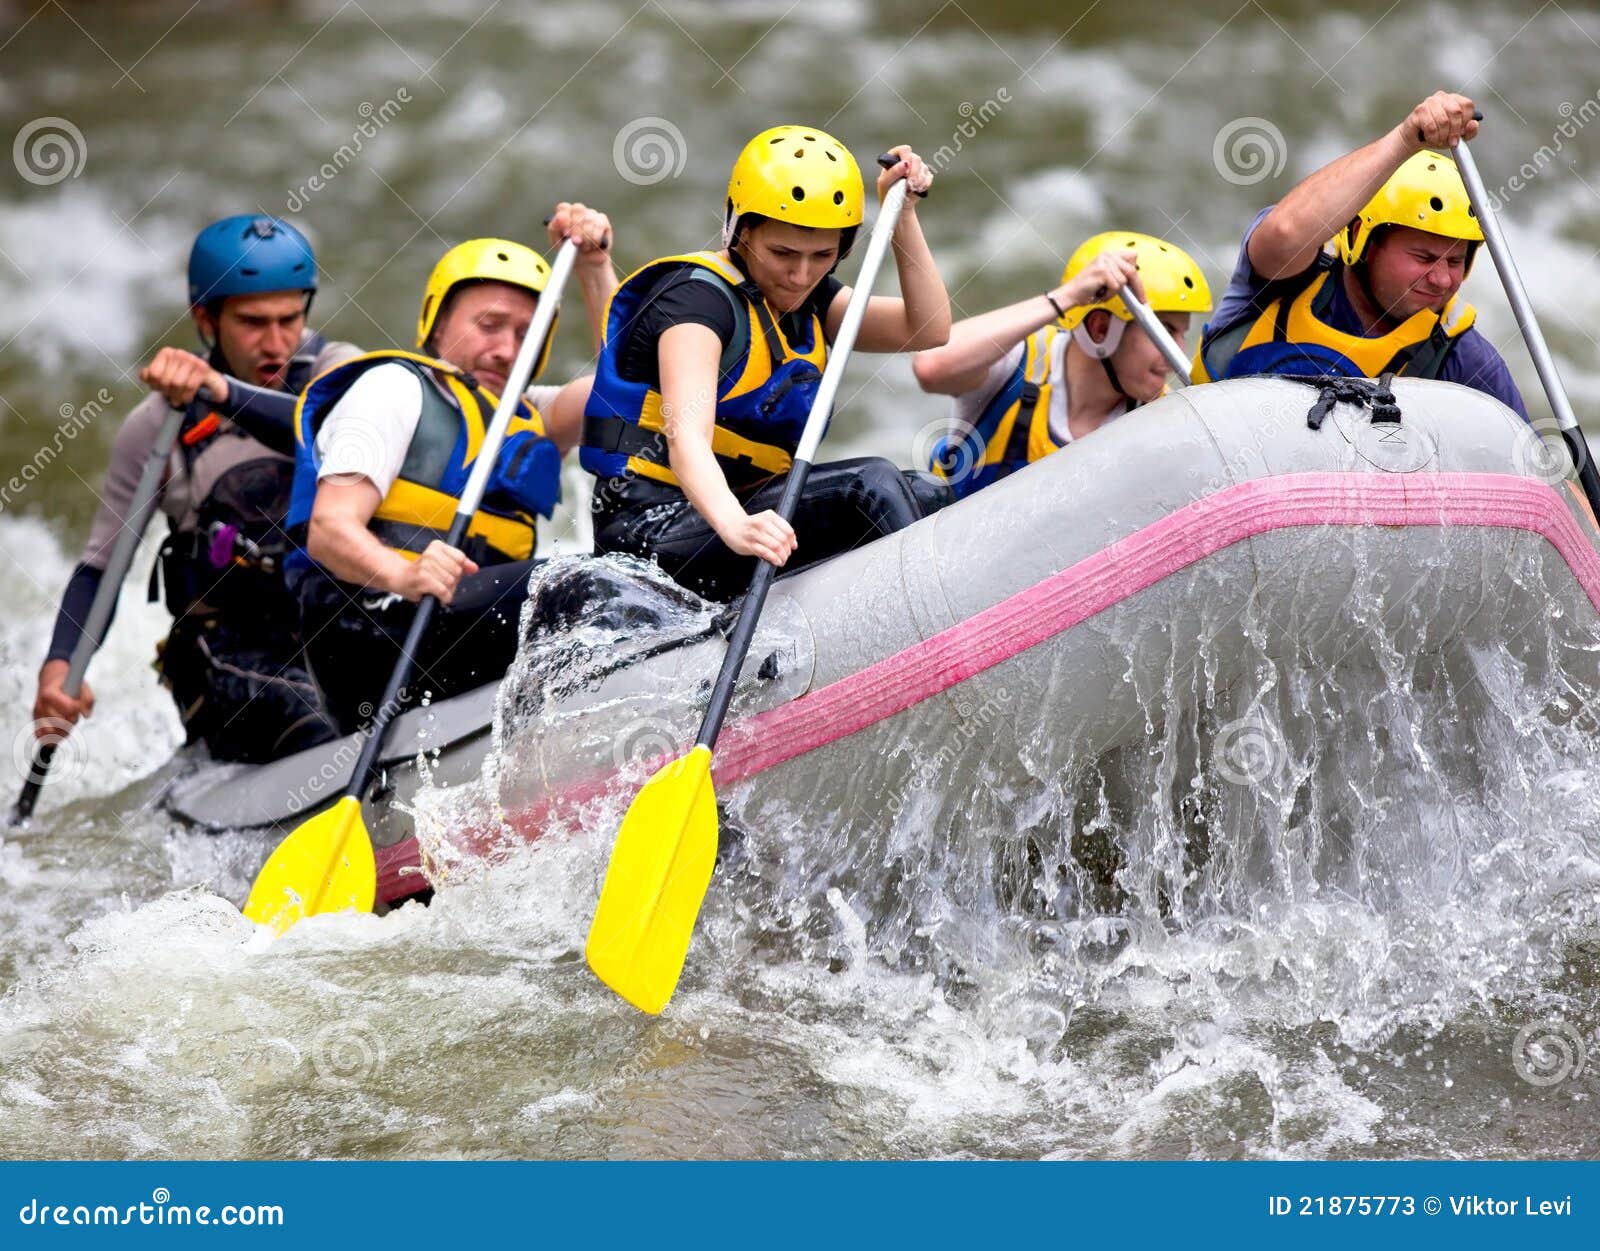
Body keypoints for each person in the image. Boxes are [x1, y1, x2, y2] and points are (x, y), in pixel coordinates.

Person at [31, 215, 357, 763]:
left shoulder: (339, 372)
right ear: (205, 318)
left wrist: (223, 390)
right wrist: (60, 668)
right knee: (316, 720)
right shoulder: (157, 427)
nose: (275, 342)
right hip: (226, 658)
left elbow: (324, 426)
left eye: (289, 319)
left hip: (333, 625)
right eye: (253, 322)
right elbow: (99, 568)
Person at [580, 125, 953, 601]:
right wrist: (736, 525)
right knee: (872, 485)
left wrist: (902, 215)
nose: (800, 275)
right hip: (650, 531)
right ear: (740, 229)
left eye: (823, 254)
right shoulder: (694, 303)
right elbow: (687, 439)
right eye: (783, 253)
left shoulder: (810, 301)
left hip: (743, 514)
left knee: (925, 490)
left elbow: (928, 329)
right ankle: (925, 618)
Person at [285, 205, 617, 732]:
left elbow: (627, 384)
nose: (506, 348)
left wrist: (594, 268)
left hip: (461, 630)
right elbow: (329, 529)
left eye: (524, 333)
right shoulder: (392, 388)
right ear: (437, 326)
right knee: (583, 587)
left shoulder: (534, 416)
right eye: (488, 326)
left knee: (626, 576)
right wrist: (405, 573)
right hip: (371, 632)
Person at [1193, 90, 1528, 420]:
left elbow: (1532, 466)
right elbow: (1284, 232)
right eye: (1423, 258)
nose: (1442, 279)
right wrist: (1405, 140)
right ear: (1361, 239)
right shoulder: (1291, 274)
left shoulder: (1460, 357)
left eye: (1455, 261)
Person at [913, 231, 1211, 498]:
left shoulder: (1160, 418)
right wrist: (1067, 297)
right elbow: (931, 367)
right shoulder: (1019, 361)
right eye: (1165, 330)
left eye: (1181, 334)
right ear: (1100, 329)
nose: (1177, 352)